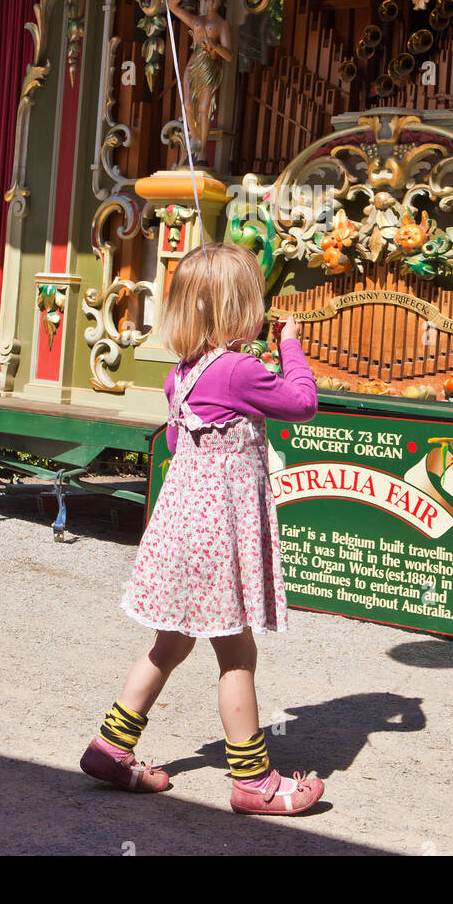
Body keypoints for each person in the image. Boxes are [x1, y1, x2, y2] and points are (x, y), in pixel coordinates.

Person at [80, 241, 325, 815]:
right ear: (240, 307)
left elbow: (176, 441)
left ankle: (111, 748)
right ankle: (253, 781)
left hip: (180, 533)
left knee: (169, 642)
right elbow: (302, 402)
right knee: (237, 653)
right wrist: (290, 346)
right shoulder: (240, 370)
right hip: (218, 541)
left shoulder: (181, 375)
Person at [167, 0, 232, 164]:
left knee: (204, 108)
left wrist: (215, 46)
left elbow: (229, 56)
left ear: (220, 1)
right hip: (192, 64)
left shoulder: (222, 24)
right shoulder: (196, 20)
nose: (211, 2)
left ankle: (201, 150)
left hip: (208, 65)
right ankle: (194, 139)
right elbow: (171, 5)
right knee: (187, 104)